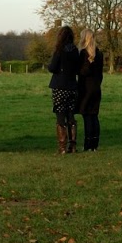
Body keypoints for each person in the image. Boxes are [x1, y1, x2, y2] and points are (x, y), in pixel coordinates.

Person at [45, 26, 79, 154]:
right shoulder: (75, 50)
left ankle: (62, 147)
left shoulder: (59, 50)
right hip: (72, 86)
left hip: (60, 86)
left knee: (60, 116)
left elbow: (52, 67)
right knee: (71, 115)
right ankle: (73, 146)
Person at [76, 29, 104, 151]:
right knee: (94, 116)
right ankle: (95, 144)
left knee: (87, 116)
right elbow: (100, 73)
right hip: (96, 87)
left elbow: (84, 72)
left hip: (86, 88)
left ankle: (88, 145)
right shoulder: (99, 53)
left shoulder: (83, 53)